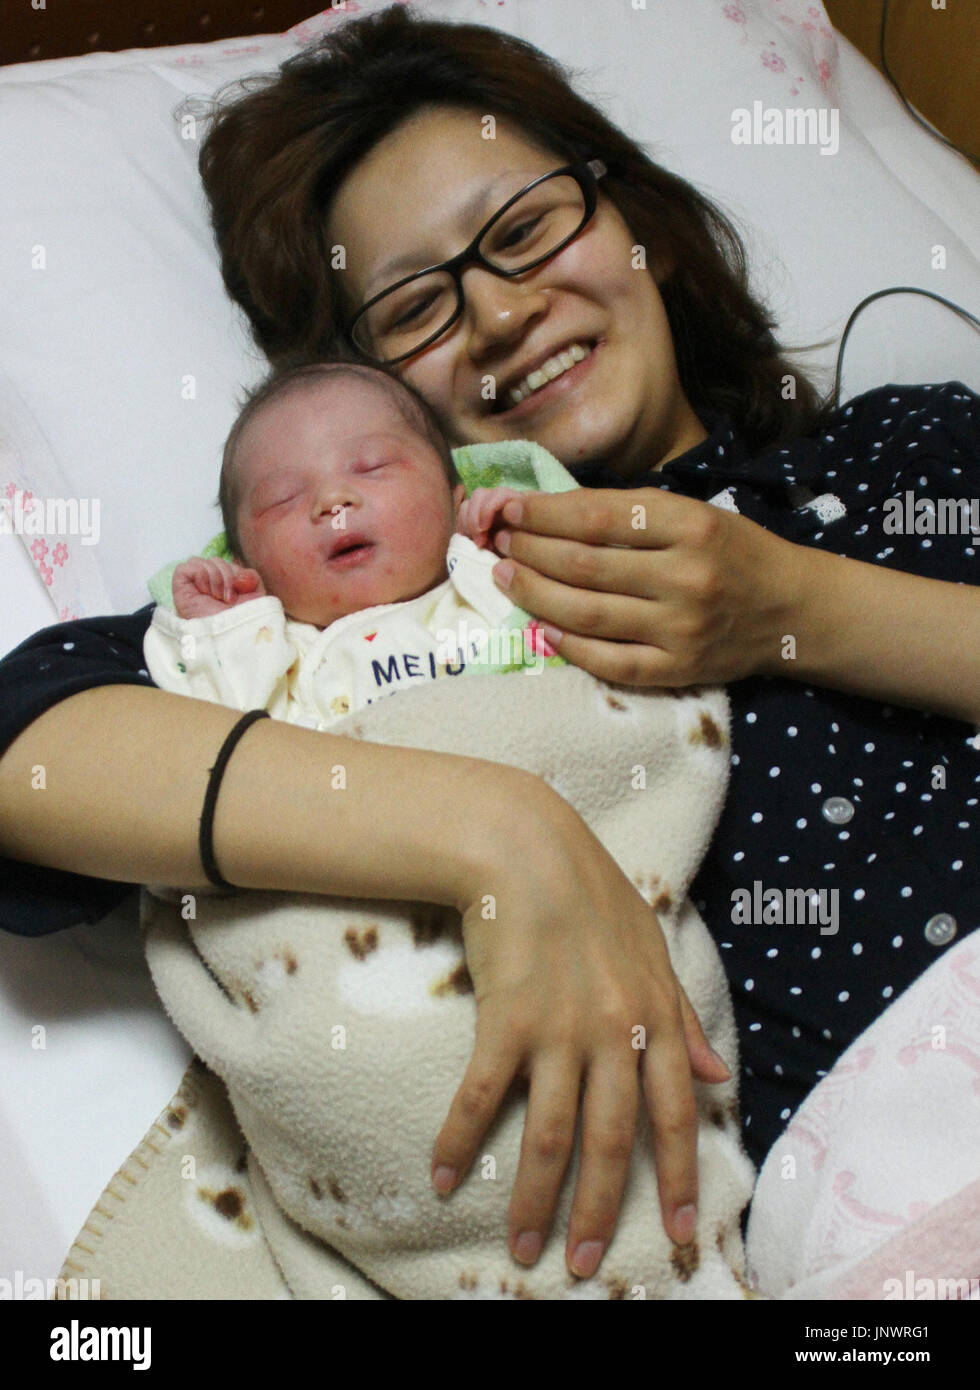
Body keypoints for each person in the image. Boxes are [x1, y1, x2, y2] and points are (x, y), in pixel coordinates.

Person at [0, 4, 977, 1289]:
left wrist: (792, 606)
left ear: (638, 230)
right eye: (415, 307)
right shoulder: (375, 613)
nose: (503, 312)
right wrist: (498, 831)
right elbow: (35, 754)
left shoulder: (897, 454)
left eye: (524, 231)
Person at [151, 356, 560, 717]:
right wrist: (225, 629)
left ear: (456, 503)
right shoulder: (279, 655)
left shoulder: (482, 577)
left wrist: (503, 538)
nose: (333, 501)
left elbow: (574, 593)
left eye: (371, 466)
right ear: (243, 564)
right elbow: (220, 735)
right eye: (284, 499)